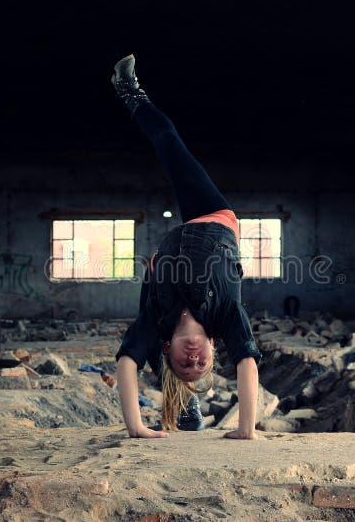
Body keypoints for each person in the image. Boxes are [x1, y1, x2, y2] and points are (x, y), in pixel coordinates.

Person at [112, 54, 262, 440]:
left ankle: (182, 406)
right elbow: (246, 360)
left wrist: (136, 428)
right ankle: (133, 93)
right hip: (213, 215)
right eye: (202, 363)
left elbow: (127, 363)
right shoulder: (226, 315)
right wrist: (247, 428)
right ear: (213, 345)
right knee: (169, 142)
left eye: (185, 365)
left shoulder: (157, 323)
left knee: (148, 298)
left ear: (168, 348)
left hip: (169, 255)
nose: (194, 360)